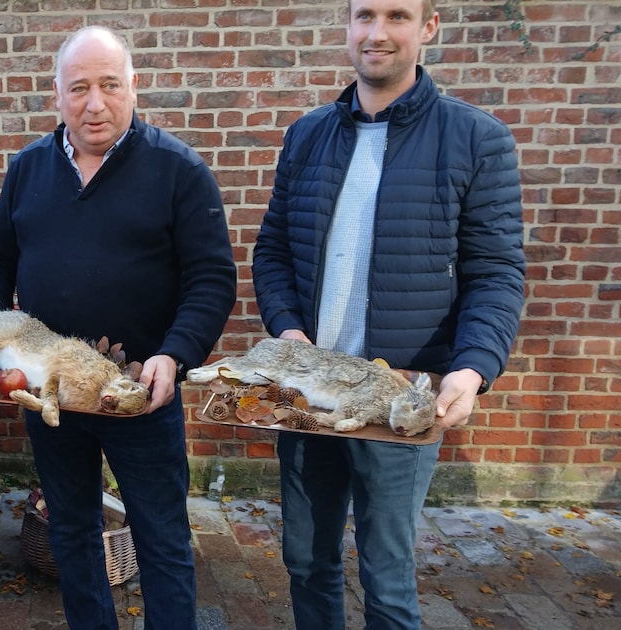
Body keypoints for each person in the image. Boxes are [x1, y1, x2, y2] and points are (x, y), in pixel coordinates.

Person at [250, 1, 526, 628]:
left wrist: (473, 368)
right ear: (348, 26)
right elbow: (272, 249)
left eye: (398, 16)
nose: (377, 33)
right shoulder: (308, 133)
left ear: (429, 27)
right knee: (307, 563)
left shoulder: (477, 139)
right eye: (364, 15)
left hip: (401, 395)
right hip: (309, 392)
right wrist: (288, 330)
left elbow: (496, 272)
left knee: (388, 575)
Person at [0, 26, 237, 630]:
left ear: (134, 87)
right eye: (80, 88)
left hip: (141, 390)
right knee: (71, 529)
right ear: (56, 96)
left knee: (162, 536)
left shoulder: (179, 171)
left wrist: (176, 354)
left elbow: (211, 279)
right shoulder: (29, 169)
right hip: (54, 392)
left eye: (110, 86)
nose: (95, 103)